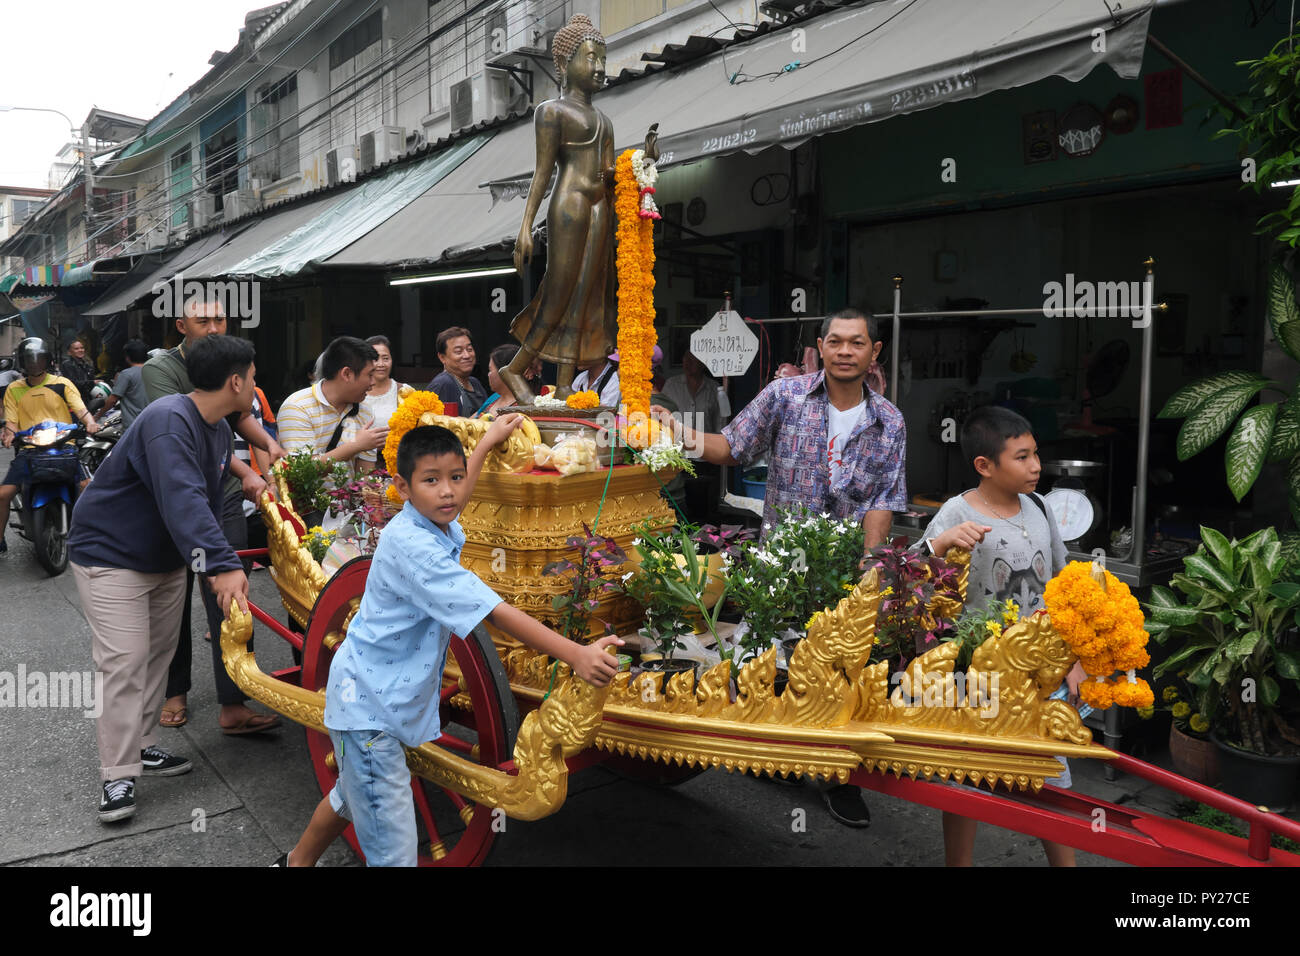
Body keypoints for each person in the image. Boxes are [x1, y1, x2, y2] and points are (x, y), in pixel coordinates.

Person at [274, 422, 623, 866]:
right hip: (372, 712)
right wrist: (576, 654)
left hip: (372, 697)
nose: (448, 492)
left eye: (455, 478)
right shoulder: (414, 547)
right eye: (431, 480)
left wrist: (486, 445)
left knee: (351, 793)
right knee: (395, 852)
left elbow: (456, 496)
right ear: (402, 487)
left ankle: (296, 863)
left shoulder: (424, 520)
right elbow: (493, 611)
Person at [653, 307, 906, 828]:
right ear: (821, 345)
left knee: (843, 670)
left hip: (843, 567)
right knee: (778, 661)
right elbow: (733, 447)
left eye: (856, 343)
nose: (844, 351)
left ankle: (840, 778)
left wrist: (870, 564)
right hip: (782, 561)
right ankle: (781, 756)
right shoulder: (785, 396)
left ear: (873, 352)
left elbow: (884, 498)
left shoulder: (890, 421)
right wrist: (679, 431)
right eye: (835, 341)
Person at [69, 335, 258, 822]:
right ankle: (116, 777)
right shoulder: (169, 419)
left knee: (156, 656)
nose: (256, 386)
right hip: (110, 555)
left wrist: (211, 559)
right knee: (125, 663)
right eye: (253, 377)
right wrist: (220, 563)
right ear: (235, 381)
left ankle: (143, 745)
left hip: (165, 558)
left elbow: (208, 503)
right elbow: (182, 499)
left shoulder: (215, 428)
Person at [914, 406, 1087, 867]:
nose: (1035, 467)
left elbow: (1061, 582)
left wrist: (1074, 657)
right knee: (965, 778)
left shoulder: (1039, 506)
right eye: (1022, 457)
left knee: (1048, 773)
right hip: (977, 674)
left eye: (1036, 455)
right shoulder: (955, 511)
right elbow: (913, 575)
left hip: (1036, 673)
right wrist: (944, 541)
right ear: (985, 466)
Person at [144, 299, 285, 735]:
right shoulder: (161, 372)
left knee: (228, 597)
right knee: (174, 600)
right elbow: (195, 428)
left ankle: (233, 701)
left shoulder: (233, 364)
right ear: (180, 325)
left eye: (219, 319)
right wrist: (247, 471)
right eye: (202, 320)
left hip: (220, 492)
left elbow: (240, 417)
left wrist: (272, 451)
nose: (212, 326)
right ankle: (175, 691)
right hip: (173, 496)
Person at [497, 14, 622, 404]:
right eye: (590, 58)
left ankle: (566, 382)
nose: (599, 68)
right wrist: (525, 226)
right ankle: (515, 368)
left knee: (586, 293)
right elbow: (543, 171)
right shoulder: (551, 111)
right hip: (569, 201)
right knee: (560, 288)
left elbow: (608, 172)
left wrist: (639, 167)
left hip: (601, 205)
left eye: (602, 59)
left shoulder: (604, 120)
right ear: (565, 64)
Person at [0, 337, 101, 554]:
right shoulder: (13, 389)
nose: (34, 363)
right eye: (30, 360)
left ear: (47, 360)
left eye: (39, 359)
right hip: (29, 451)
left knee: (88, 487)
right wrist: (8, 434)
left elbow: (81, 410)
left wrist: (91, 423)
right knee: (3, 494)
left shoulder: (62, 384)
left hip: (65, 447)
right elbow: (11, 421)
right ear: (22, 362)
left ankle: (94, 533)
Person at [278, 336, 386, 473]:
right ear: (346, 374)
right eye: (369, 375)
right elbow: (302, 471)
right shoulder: (297, 407)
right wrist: (355, 445)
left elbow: (365, 477)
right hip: (307, 495)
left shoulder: (365, 410)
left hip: (351, 495)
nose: (373, 382)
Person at [427, 327, 487, 418]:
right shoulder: (443, 384)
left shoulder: (475, 383)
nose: (467, 355)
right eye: (458, 351)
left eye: (469, 349)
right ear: (442, 357)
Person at [663, 350, 721, 436]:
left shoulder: (714, 388)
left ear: (703, 363)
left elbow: (720, 422)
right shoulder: (671, 385)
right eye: (686, 358)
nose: (688, 362)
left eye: (693, 359)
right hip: (677, 444)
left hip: (705, 445)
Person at [100, 339, 149, 427]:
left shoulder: (126, 374)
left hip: (133, 424)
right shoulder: (154, 371)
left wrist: (98, 415)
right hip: (151, 422)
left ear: (127, 357)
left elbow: (112, 400)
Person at [361, 335, 406, 430]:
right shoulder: (354, 393)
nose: (381, 364)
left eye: (385, 358)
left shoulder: (405, 392)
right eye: (375, 359)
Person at [475, 343, 522, 416]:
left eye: (490, 370)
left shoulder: (522, 408)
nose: (488, 374)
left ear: (503, 373)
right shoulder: (494, 398)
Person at [61, 338, 98, 406]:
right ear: (69, 352)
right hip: (76, 400)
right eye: (76, 349)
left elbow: (91, 379)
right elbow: (72, 383)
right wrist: (92, 382)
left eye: (82, 348)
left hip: (88, 398)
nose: (80, 350)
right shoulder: (67, 364)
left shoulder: (87, 364)